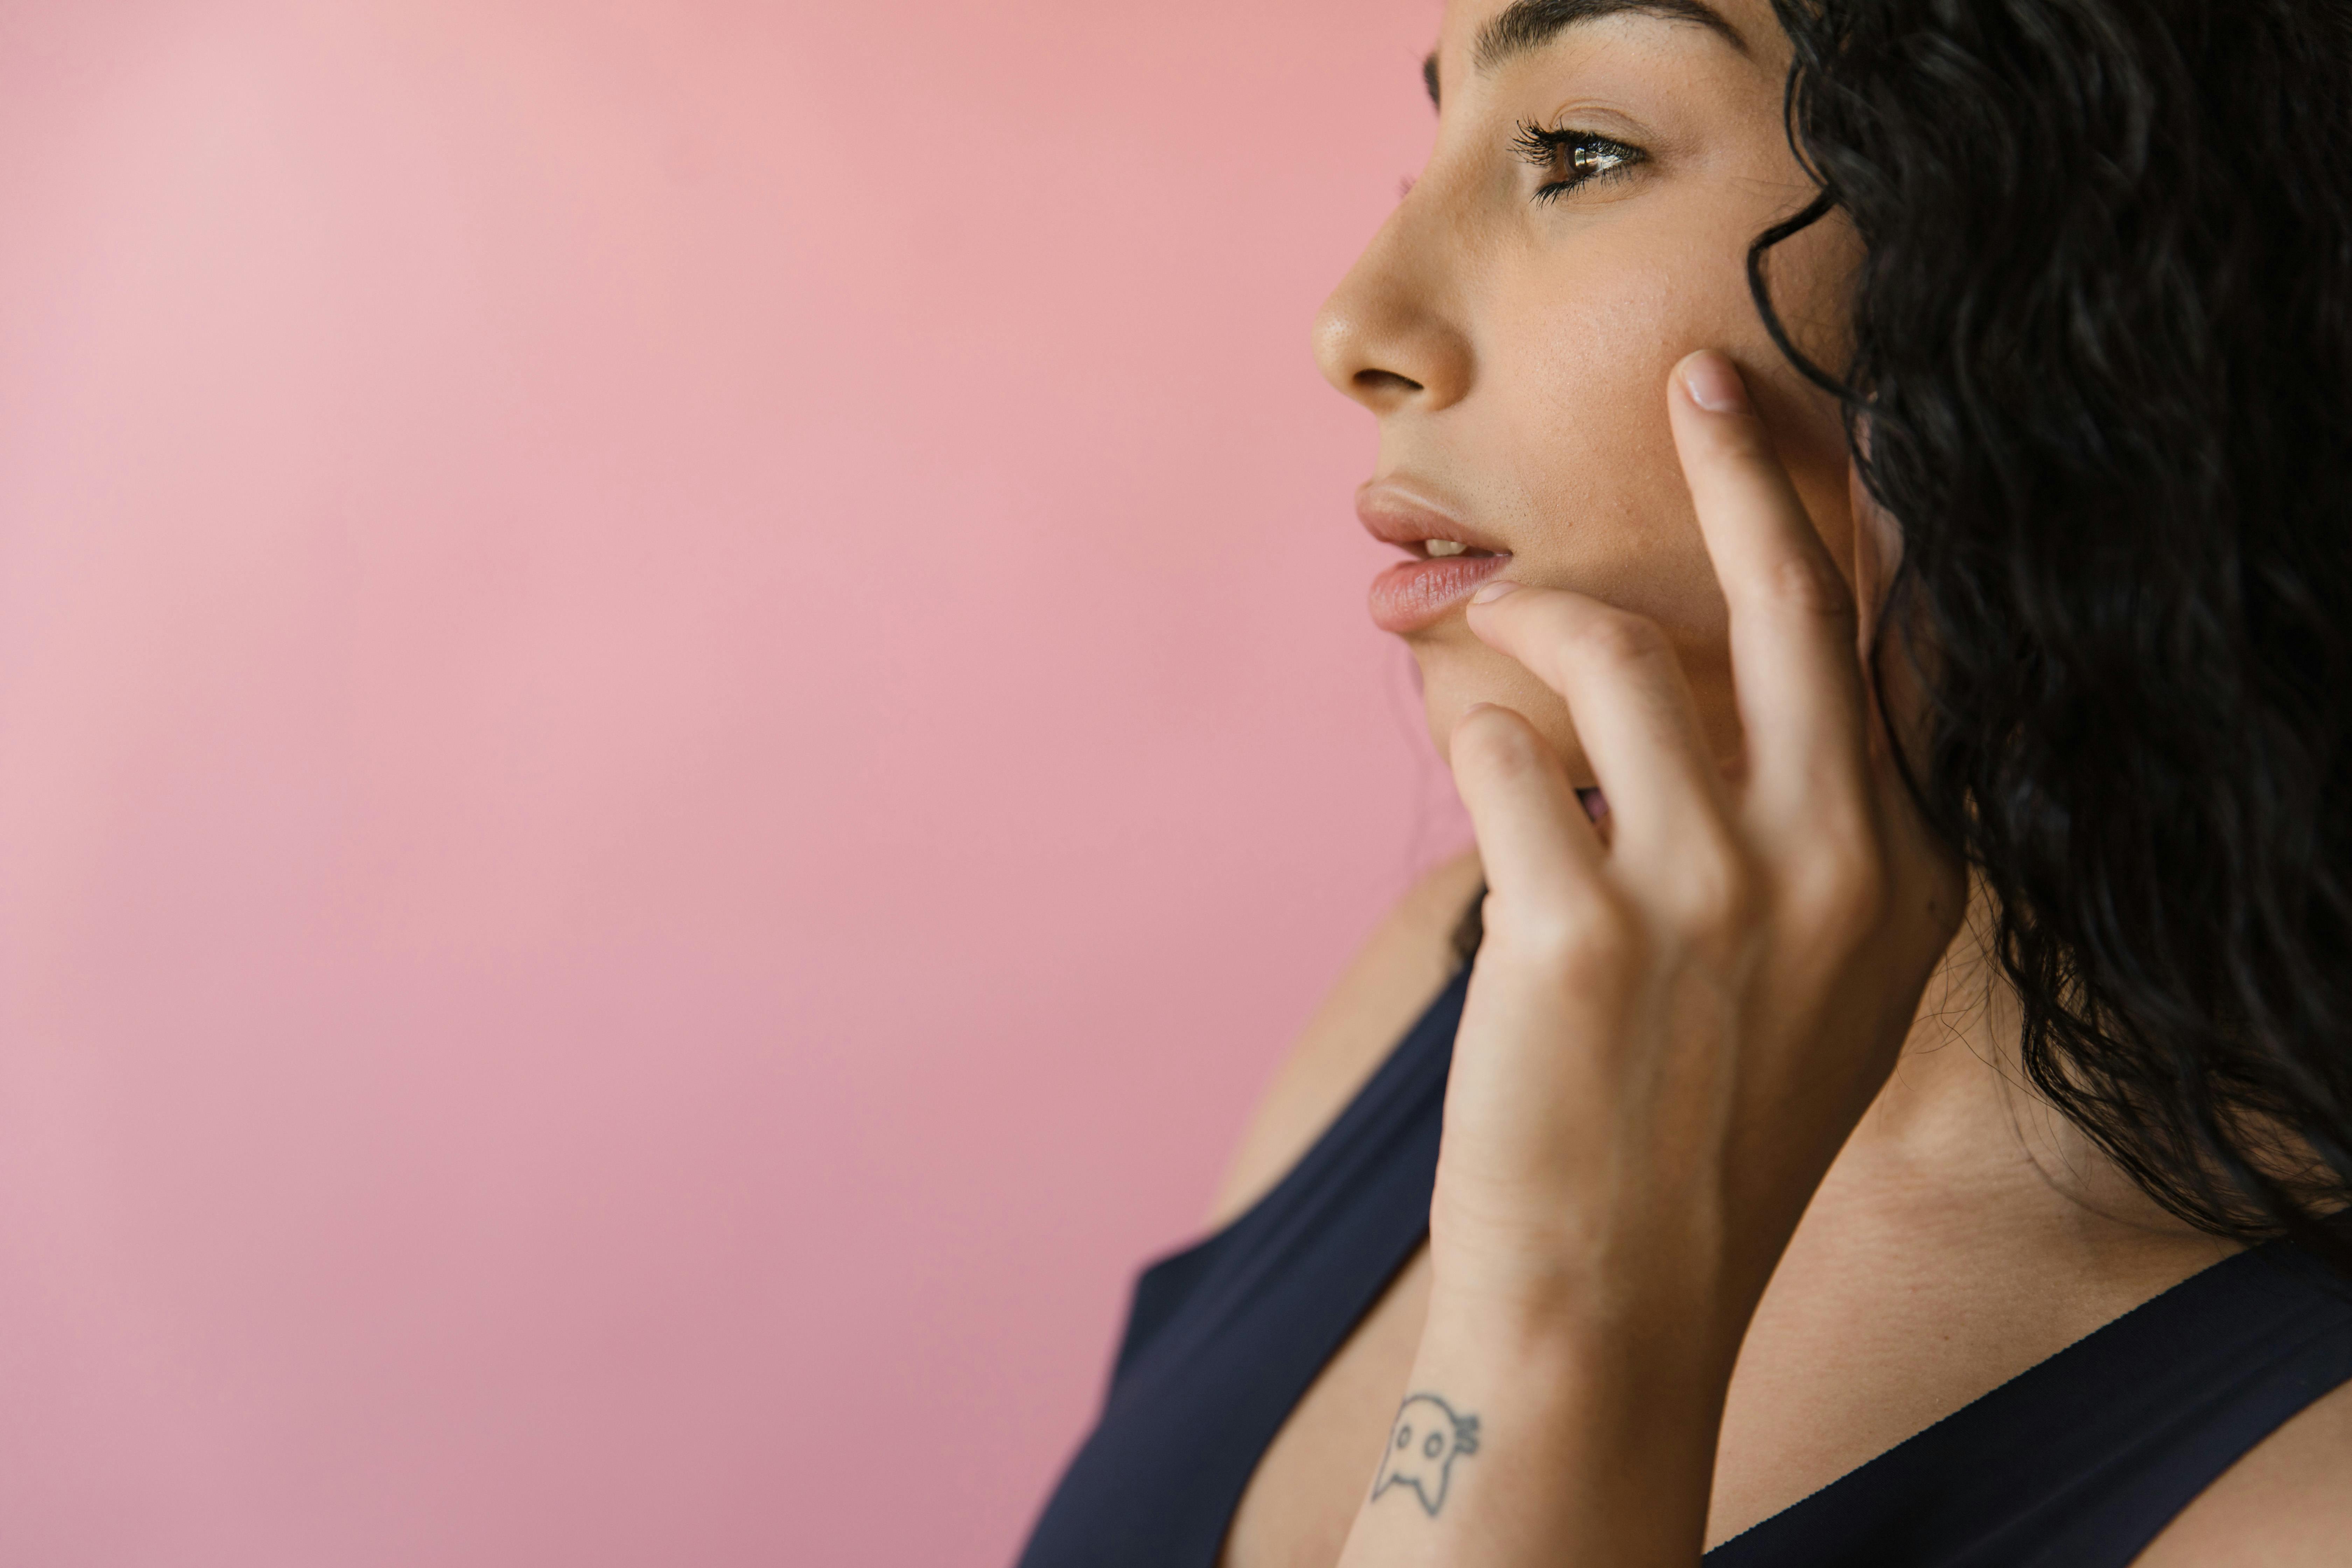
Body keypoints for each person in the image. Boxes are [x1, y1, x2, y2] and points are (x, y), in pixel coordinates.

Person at [1018, 0, 2352, 1562]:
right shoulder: (1472, 974)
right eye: (1432, 150)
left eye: (1579, 153)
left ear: (2084, 265)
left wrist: (1564, 1329)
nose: (1354, 323)